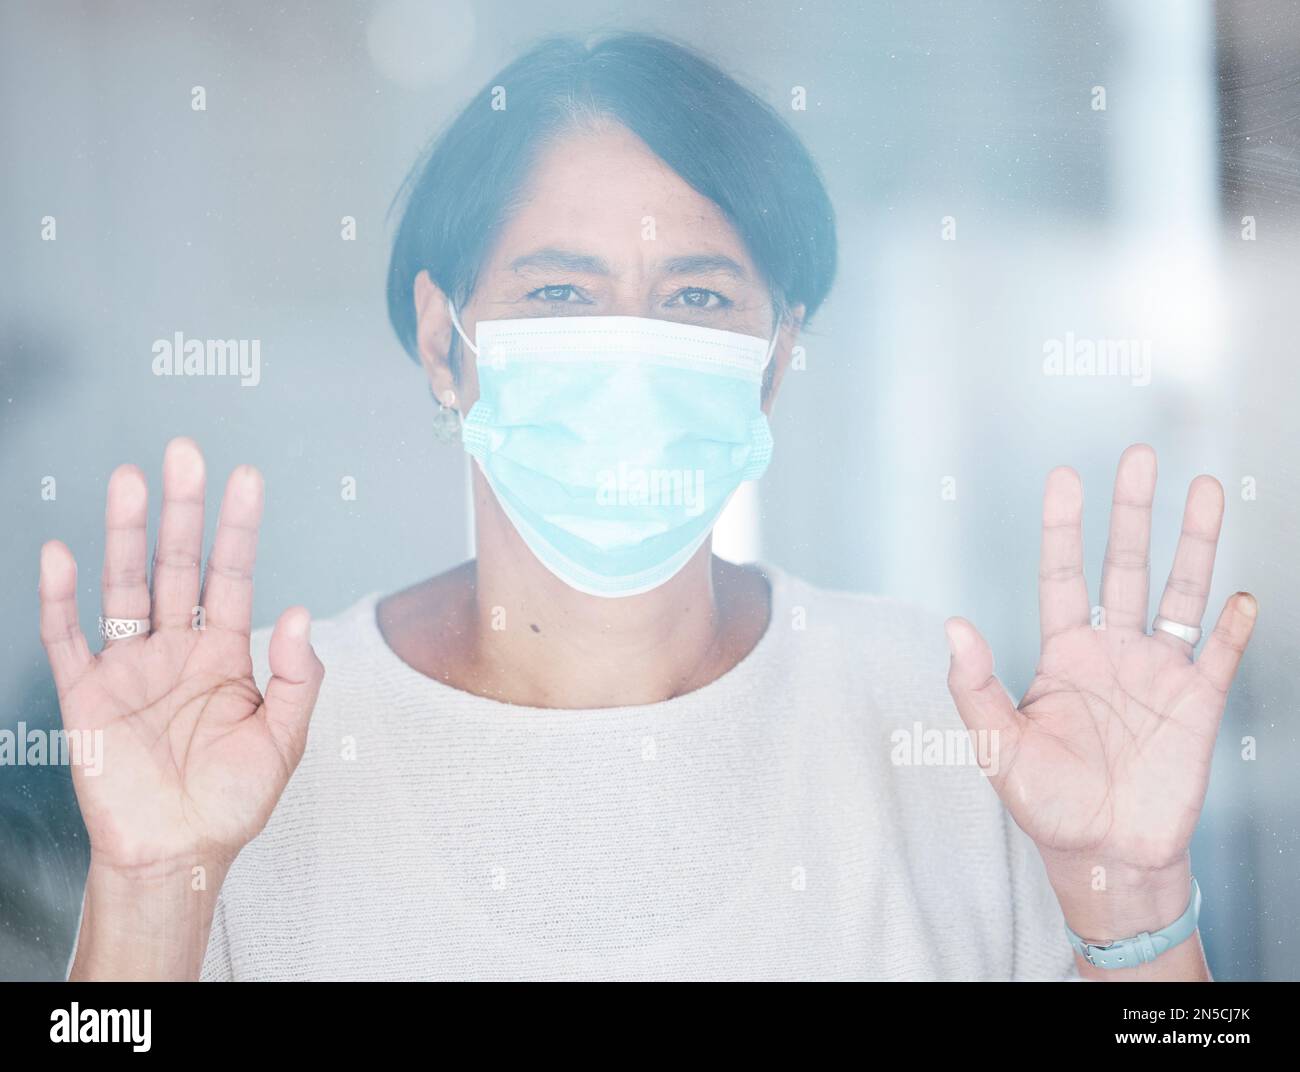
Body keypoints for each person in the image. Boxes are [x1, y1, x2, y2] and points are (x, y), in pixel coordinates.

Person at [42, 32, 1256, 982]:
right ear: (442, 343)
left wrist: (1131, 896)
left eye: (695, 296)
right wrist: (151, 895)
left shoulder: (946, 717)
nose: (628, 349)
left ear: (776, 355)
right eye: (562, 289)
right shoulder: (255, 739)